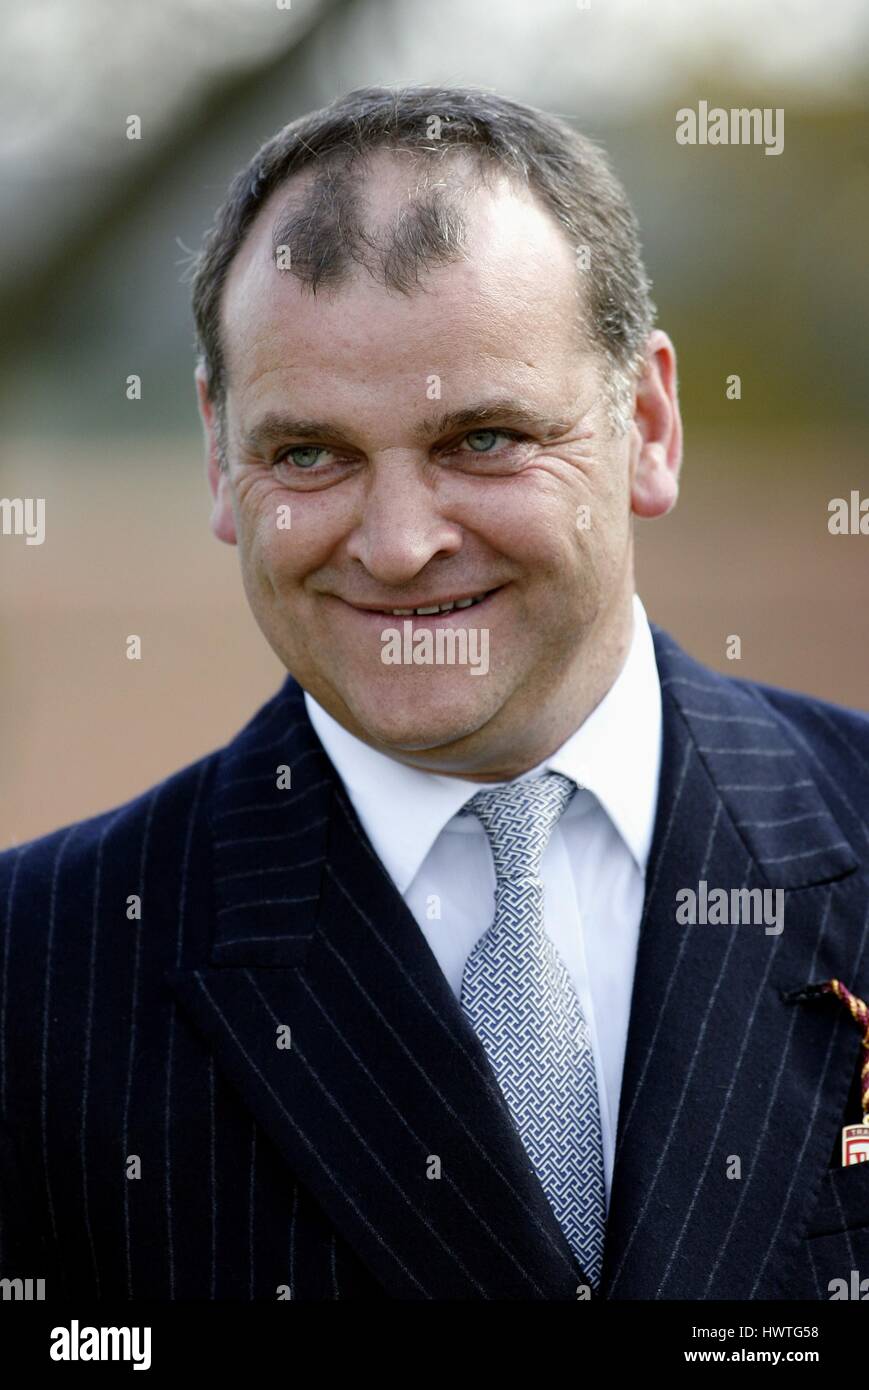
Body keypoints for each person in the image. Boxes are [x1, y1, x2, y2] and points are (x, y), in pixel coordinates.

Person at [1, 85, 867, 1303]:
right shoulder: (34, 979)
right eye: (309, 454)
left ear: (651, 422)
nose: (399, 544)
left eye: (483, 439)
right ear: (217, 454)